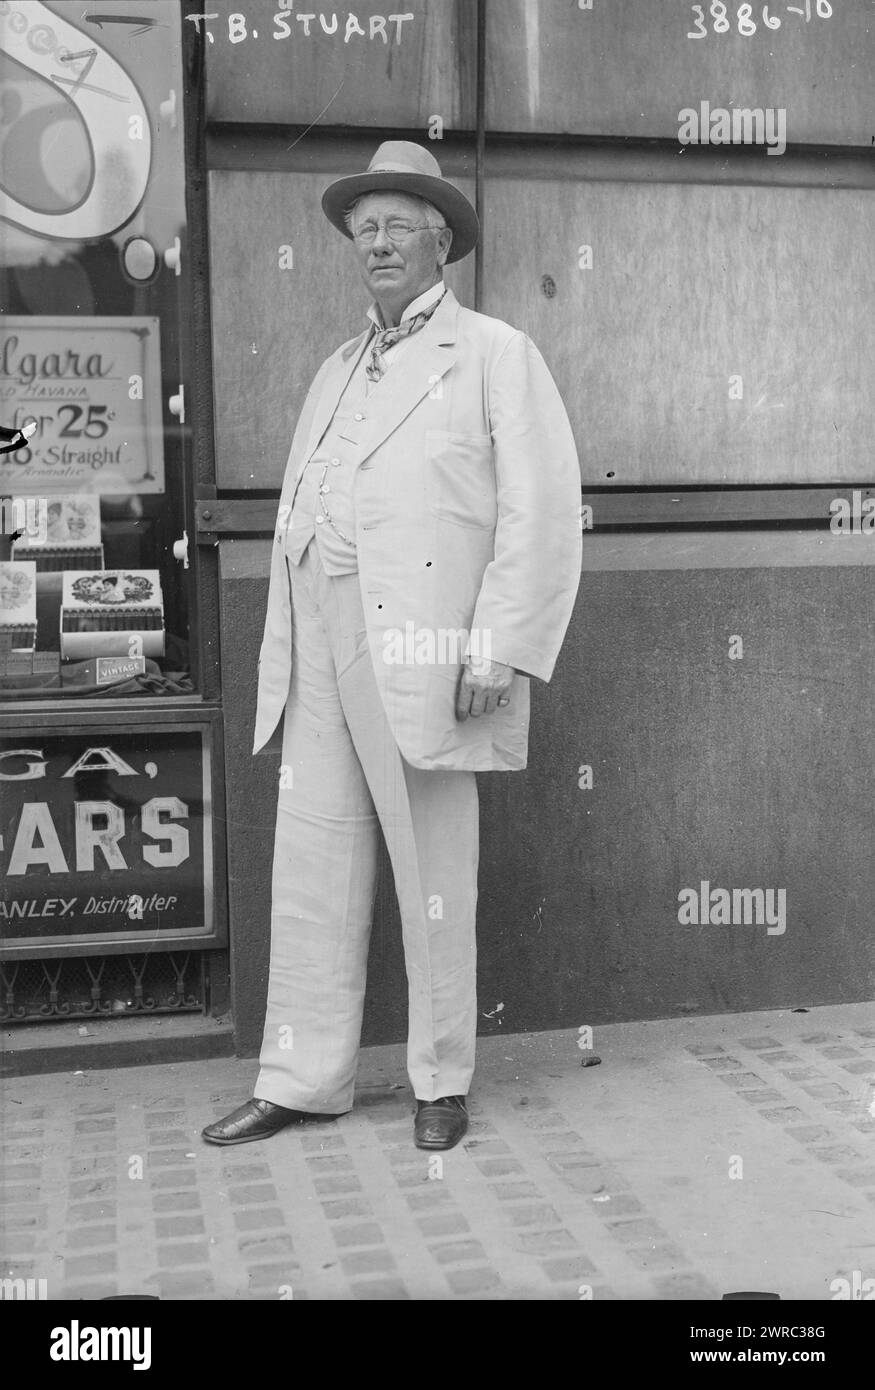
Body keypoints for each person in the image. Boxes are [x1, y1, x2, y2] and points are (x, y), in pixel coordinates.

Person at [203, 141, 581, 1152]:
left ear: (441, 241)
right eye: (361, 227)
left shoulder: (495, 353)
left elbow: (542, 514)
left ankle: (437, 1078)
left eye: (395, 225)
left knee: (430, 864)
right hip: (320, 630)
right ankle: (301, 1074)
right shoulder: (335, 366)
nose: (373, 241)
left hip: (422, 646)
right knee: (313, 855)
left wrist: (496, 645)